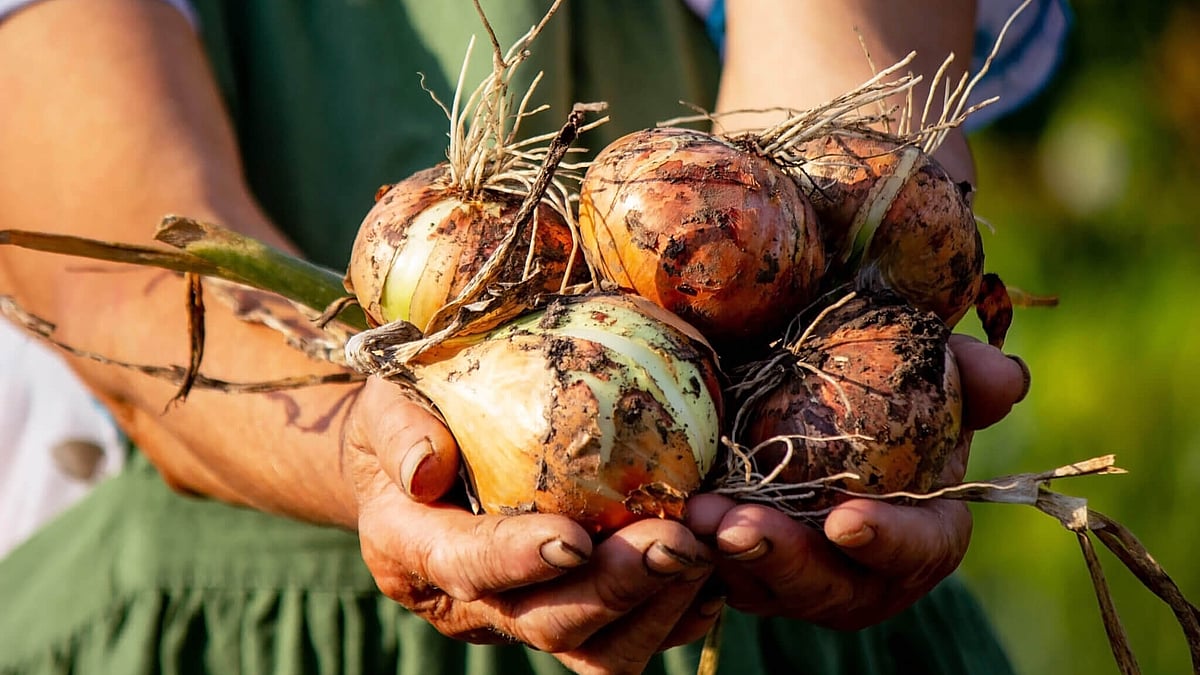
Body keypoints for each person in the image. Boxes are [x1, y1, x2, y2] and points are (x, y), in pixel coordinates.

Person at [0, 1, 1060, 673]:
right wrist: (394, 453)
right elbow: (119, 274)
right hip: (215, 632)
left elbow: (832, 155)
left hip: (773, 590)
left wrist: (826, 313)